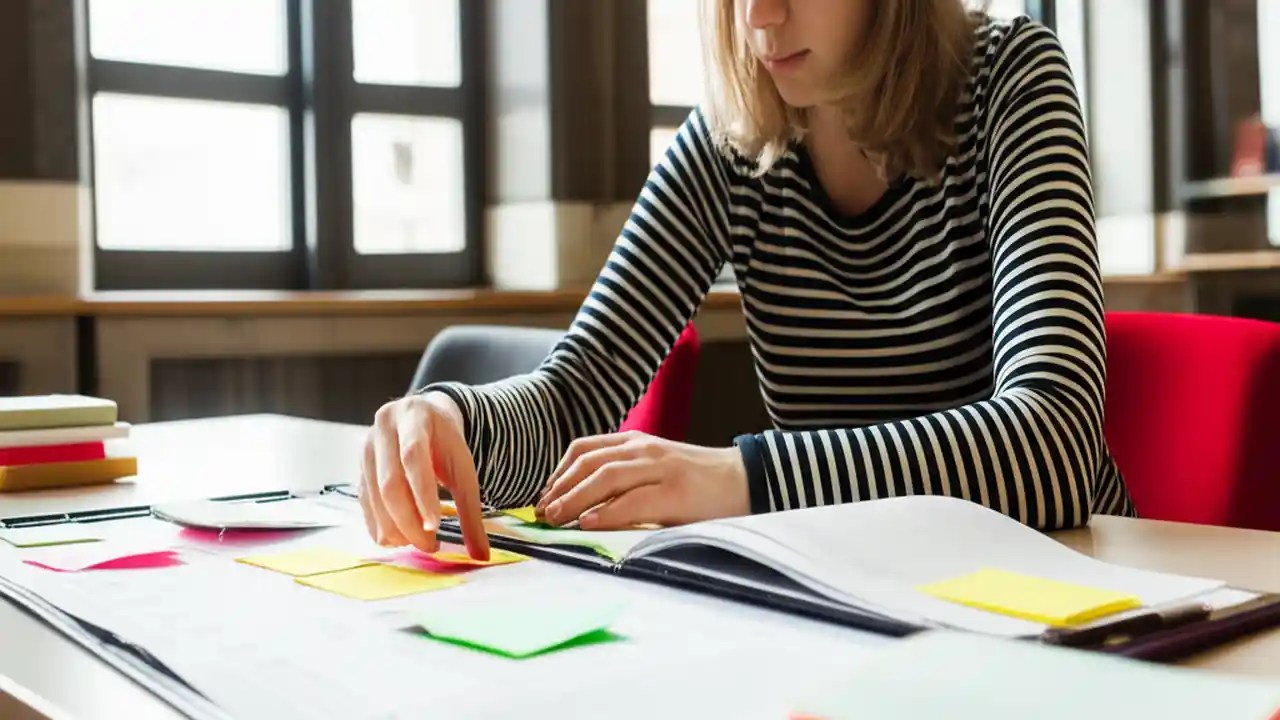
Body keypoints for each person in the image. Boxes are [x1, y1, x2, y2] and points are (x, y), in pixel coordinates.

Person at [359, 0, 1135, 560]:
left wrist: (745, 476)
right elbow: (577, 392)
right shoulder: (731, 137)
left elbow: (1054, 445)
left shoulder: (1013, 77)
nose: (759, 17)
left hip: (1054, 588)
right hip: (851, 582)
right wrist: (453, 421)